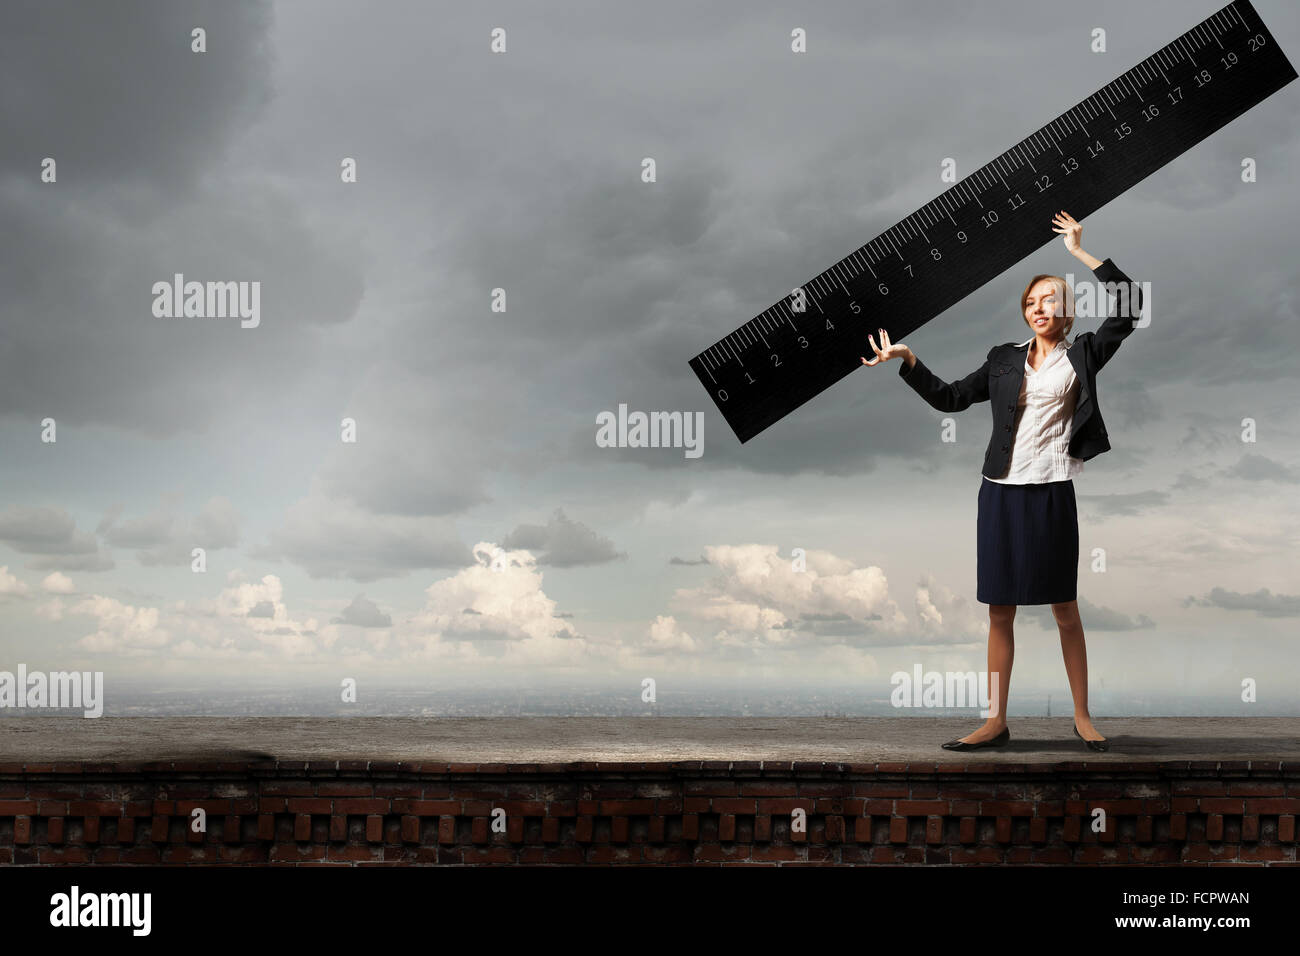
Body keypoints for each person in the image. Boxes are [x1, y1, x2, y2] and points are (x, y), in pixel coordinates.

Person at [862, 211, 1143, 753]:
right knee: (999, 610)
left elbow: (1130, 304)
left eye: (1051, 300)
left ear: (1067, 309)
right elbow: (950, 399)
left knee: (1065, 608)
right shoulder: (1001, 360)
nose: (1040, 309)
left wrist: (1081, 253)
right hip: (999, 492)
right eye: (1032, 302)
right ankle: (995, 721)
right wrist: (908, 359)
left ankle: (1082, 717)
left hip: (1053, 492)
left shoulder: (1083, 353)